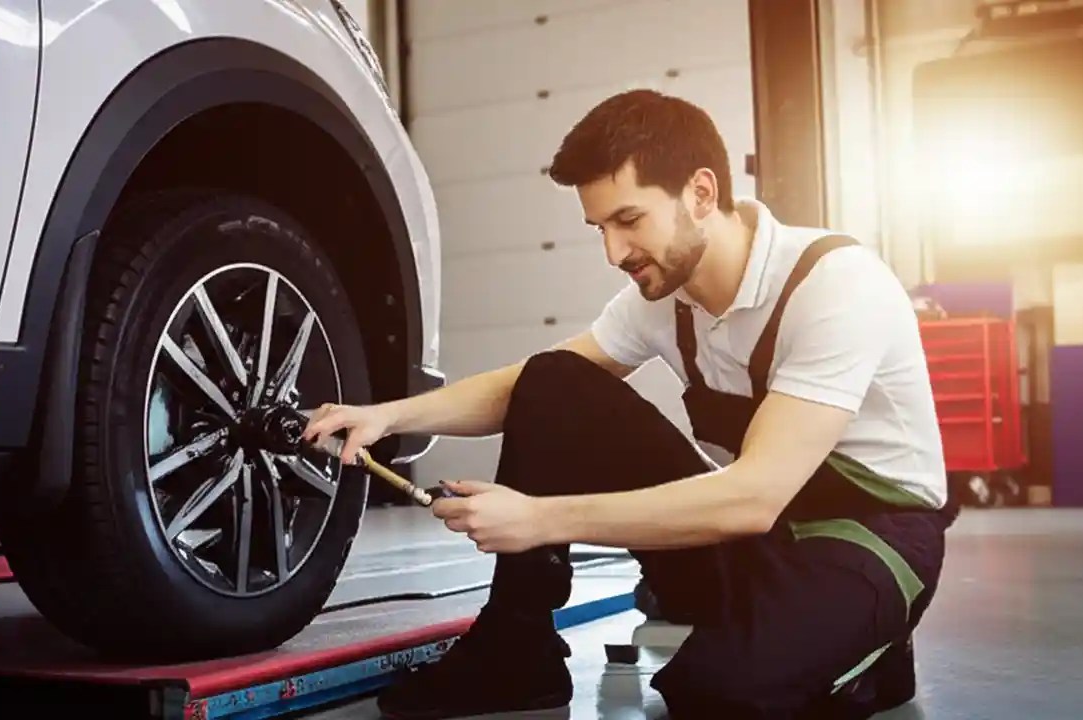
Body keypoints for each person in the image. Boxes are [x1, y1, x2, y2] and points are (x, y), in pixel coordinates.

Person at [303, 90, 956, 720]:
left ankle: (875, 656)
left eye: (629, 220)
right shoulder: (661, 300)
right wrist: (387, 416)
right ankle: (516, 651)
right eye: (600, 228)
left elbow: (756, 495)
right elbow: (528, 387)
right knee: (554, 378)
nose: (614, 253)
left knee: (718, 693)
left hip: (869, 539)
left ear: (700, 194)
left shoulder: (835, 285)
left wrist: (541, 519)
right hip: (753, 536)